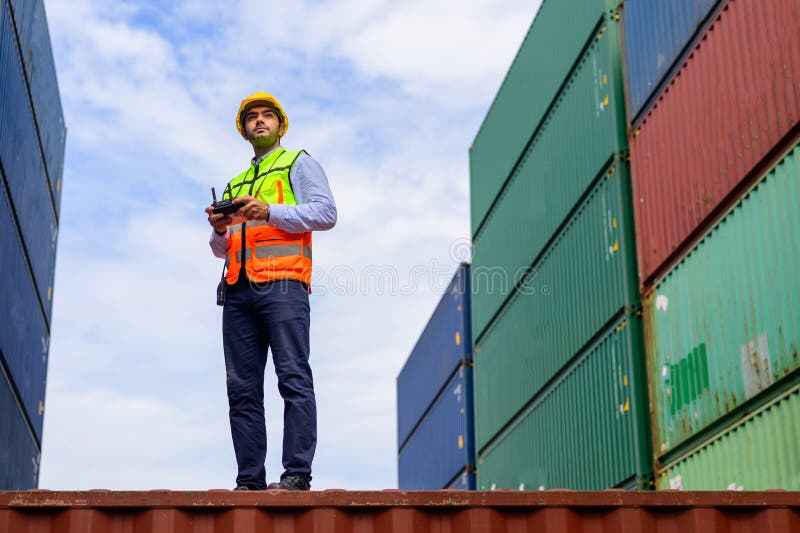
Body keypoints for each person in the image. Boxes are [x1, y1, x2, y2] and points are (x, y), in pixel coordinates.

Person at [205, 92, 337, 491]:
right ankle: (249, 481)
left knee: (292, 377)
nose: (259, 121)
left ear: (280, 125)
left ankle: (296, 474)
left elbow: (326, 213)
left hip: (284, 286)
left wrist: (269, 211)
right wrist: (219, 230)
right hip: (238, 292)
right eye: (252, 118)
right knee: (241, 389)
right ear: (244, 131)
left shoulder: (298, 163)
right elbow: (221, 249)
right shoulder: (235, 183)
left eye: (267, 116)